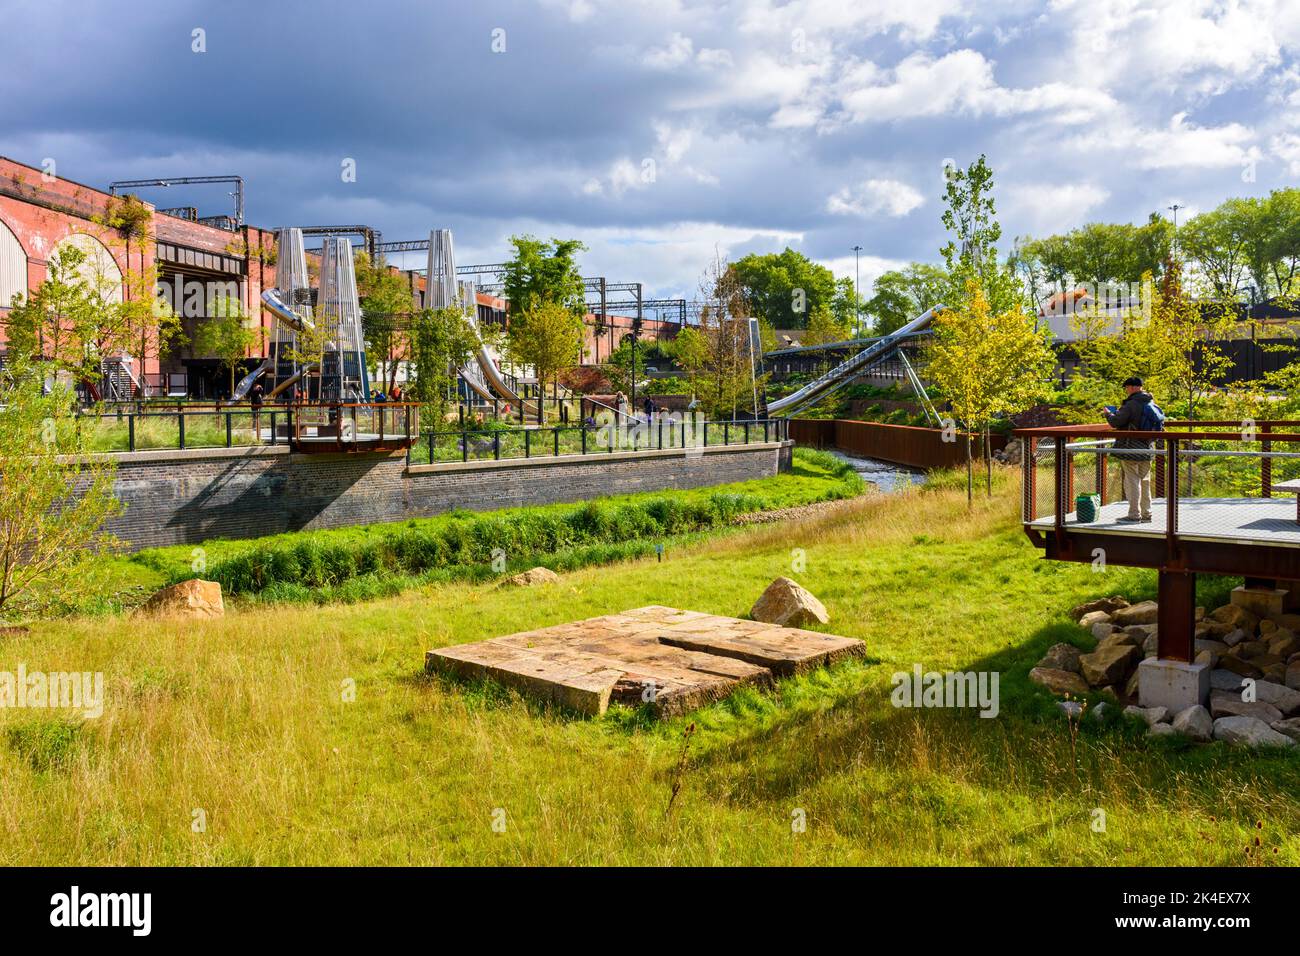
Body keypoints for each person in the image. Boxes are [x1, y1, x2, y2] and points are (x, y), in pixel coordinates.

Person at [1102, 376, 1163, 524]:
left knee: (1132, 481)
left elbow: (1116, 422)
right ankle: (1147, 513)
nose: (1126, 390)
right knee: (1145, 480)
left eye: (1127, 387)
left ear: (1133, 387)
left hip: (1131, 447)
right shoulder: (1150, 402)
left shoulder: (1131, 404)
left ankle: (1134, 515)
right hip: (1148, 448)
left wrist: (1108, 414)